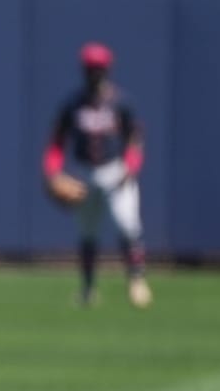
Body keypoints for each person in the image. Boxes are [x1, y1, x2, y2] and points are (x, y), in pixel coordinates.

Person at [43, 42, 152, 308]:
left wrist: (131, 166)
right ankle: (89, 289)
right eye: (91, 68)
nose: (95, 73)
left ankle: (136, 281)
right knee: (88, 233)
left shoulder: (121, 102)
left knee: (128, 226)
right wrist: (53, 173)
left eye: (99, 68)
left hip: (115, 170)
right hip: (84, 173)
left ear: (107, 69)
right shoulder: (72, 104)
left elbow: (135, 139)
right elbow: (56, 143)